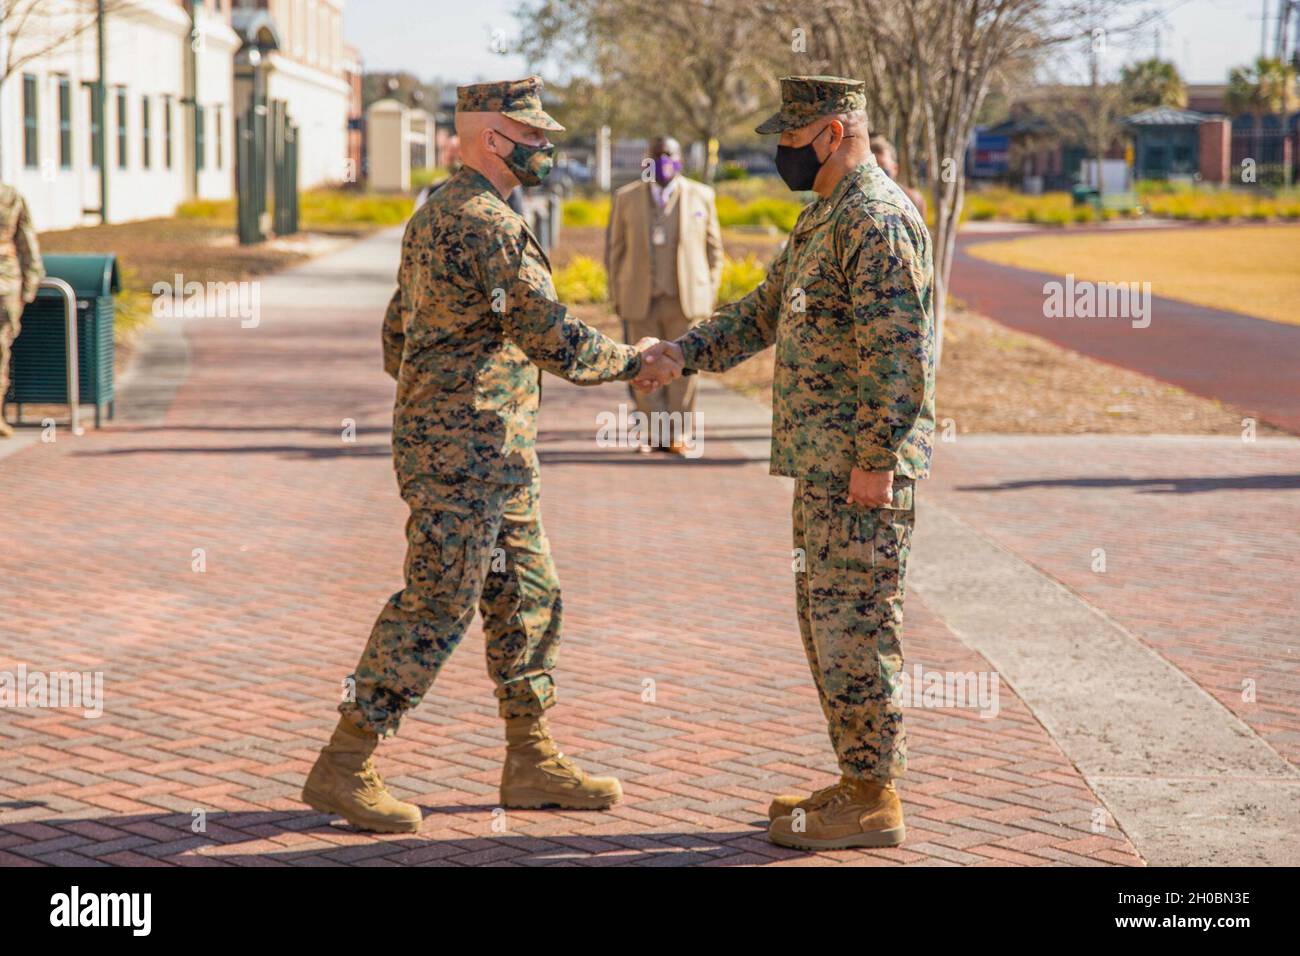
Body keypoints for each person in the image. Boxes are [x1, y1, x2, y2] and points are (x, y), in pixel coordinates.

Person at [302, 76, 681, 833]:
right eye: (532, 136)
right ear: (489, 140)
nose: (545, 147)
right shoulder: (484, 224)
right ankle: (345, 764)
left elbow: (395, 334)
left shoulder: (438, 212)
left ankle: (530, 758)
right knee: (438, 602)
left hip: (491, 450)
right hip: (463, 454)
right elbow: (554, 338)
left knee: (528, 596)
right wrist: (638, 363)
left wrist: (437, 386)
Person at [649, 76, 936, 850]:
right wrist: (681, 354)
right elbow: (763, 311)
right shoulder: (825, 219)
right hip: (826, 467)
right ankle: (855, 776)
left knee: (860, 625)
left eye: (793, 136)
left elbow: (902, 358)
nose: (783, 151)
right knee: (827, 624)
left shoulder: (874, 219)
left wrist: (876, 461)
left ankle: (876, 799)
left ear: (834, 133)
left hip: (860, 472)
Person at [606, 136, 722, 453]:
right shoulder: (626, 198)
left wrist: (708, 293)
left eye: (669, 155)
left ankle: (677, 434)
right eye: (656, 156)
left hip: (686, 301)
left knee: (684, 371)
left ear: (680, 158)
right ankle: (651, 434)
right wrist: (617, 295)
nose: (663, 161)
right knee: (644, 368)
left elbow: (715, 252)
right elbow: (614, 252)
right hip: (639, 300)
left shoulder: (702, 195)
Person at [0, 184, 45, 438]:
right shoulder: (10, 195)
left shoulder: (12, 196)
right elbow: (27, 242)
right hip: (6, 282)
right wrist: (30, 282)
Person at [869, 134, 927, 220]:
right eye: (874, 167)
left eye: (883, 166)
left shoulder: (913, 199)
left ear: (895, 168)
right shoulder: (860, 200)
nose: (878, 173)